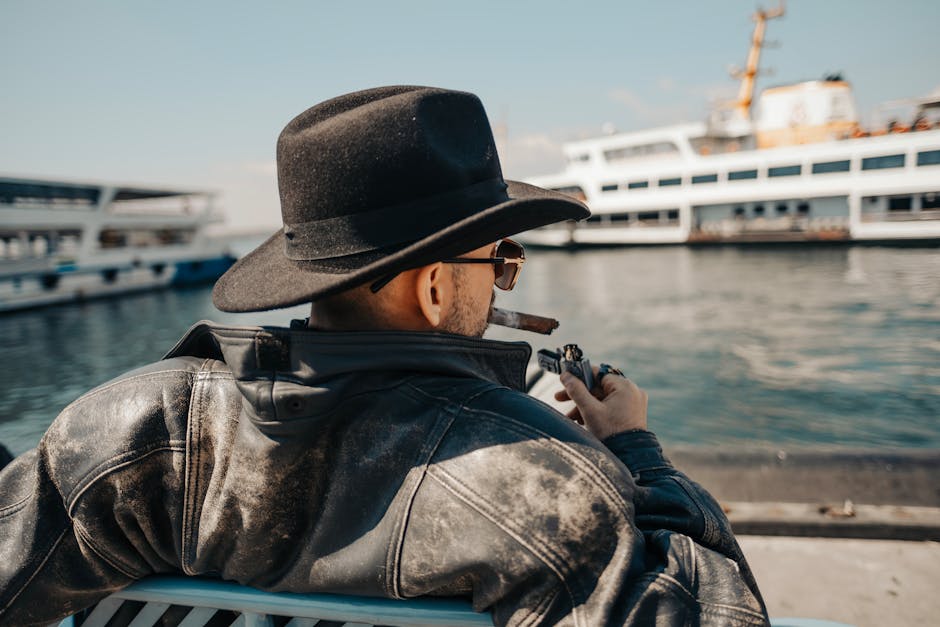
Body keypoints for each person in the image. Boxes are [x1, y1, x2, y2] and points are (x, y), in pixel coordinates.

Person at [0, 86, 768, 626]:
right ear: (434, 287)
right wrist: (636, 450)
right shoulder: (546, 481)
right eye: (500, 262)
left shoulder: (127, 431)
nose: (504, 281)